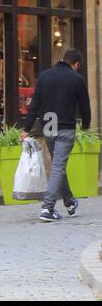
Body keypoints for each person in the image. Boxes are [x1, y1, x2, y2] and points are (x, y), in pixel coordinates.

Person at [21, 47, 91, 222]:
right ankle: (48, 207)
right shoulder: (77, 79)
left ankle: (69, 201)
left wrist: (26, 128)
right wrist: (86, 124)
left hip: (48, 126)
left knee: (58, 166)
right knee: (59, 166)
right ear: (76, 64)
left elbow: (35, 104)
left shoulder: (45, 76)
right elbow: (85, 105)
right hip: (66, 127)